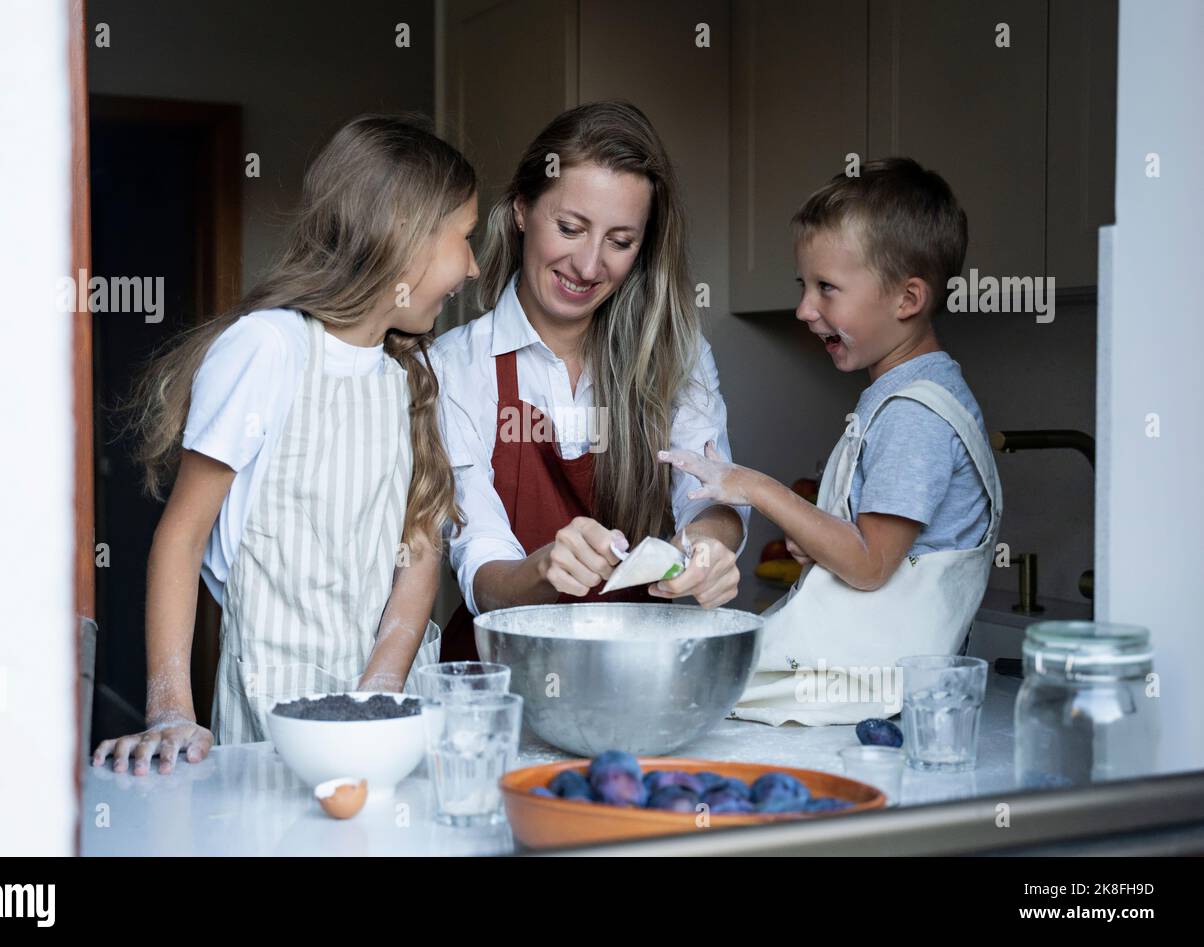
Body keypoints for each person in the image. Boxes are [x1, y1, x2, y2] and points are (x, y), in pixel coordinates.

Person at [92, 115, 478, 773]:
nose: (472, 268)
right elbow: (181, 538)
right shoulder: (269, 349)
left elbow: (418, 561)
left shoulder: (407, 376)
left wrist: (376, 701)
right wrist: (171, 710)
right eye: (464, 240)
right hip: (273, 733)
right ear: (405, 241)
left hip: (391, 734)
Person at [661, 157, 1002, 725]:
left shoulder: (915, 415)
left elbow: (869, 567)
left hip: (870, 692)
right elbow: (866, 548)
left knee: (691, 694)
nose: (804, 308)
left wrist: (754, 487)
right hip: (872, 685)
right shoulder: (906, 396)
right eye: (804, 285)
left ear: (907, 299)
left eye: (827, 289)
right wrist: (820, 543)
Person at [433, 101, 748, 662]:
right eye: (571, 228)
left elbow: (711, 498)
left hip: (640, 673)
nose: (587, 265)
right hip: (492, 684)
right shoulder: (455, 367)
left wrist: (706, 552)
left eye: (620, 241)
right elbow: (481, 570)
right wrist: (542, 568)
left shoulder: (678, 356)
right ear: (523, 210)